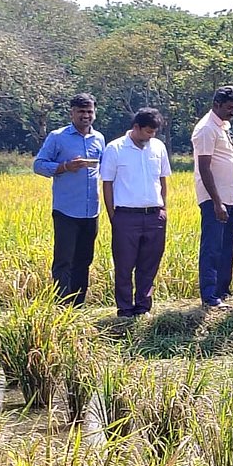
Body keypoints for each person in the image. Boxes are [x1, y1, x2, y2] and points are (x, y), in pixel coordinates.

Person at [32, 93, 105, 305]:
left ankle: (78, 305)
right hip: (66, 210)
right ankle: (62, 306)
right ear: (72, 113)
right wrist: (65, 167)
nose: (86, 116)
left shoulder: (99, 139)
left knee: (84, 260)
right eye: (81, 111)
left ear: (95, 113)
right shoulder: (58, 137)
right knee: (64, 260)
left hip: (91, 211)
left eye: (89, 111)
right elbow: (38, 165)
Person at [99, 108, 171, 318]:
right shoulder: (115, 148)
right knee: (124, 265)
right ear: (136, 127)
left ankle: (142, 306)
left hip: (154, 215)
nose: (151, 136)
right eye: (148, 131)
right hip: (126, 216)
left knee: (149, 264)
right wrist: (113, 216)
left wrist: (163, 209)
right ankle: (124, 309)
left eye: (154, 132)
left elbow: (163, 180)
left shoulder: (158, 147)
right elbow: (107, 184)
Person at [192, 86, 233, 309]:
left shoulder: (224, 126)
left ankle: (222, 290)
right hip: (214, 200)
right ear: (217, 104)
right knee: (212, 247)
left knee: (227, 245)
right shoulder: (206, 129)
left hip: (228, 197)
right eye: (229, 107)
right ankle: (210, 295)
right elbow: (204, 167)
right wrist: (216, 201)